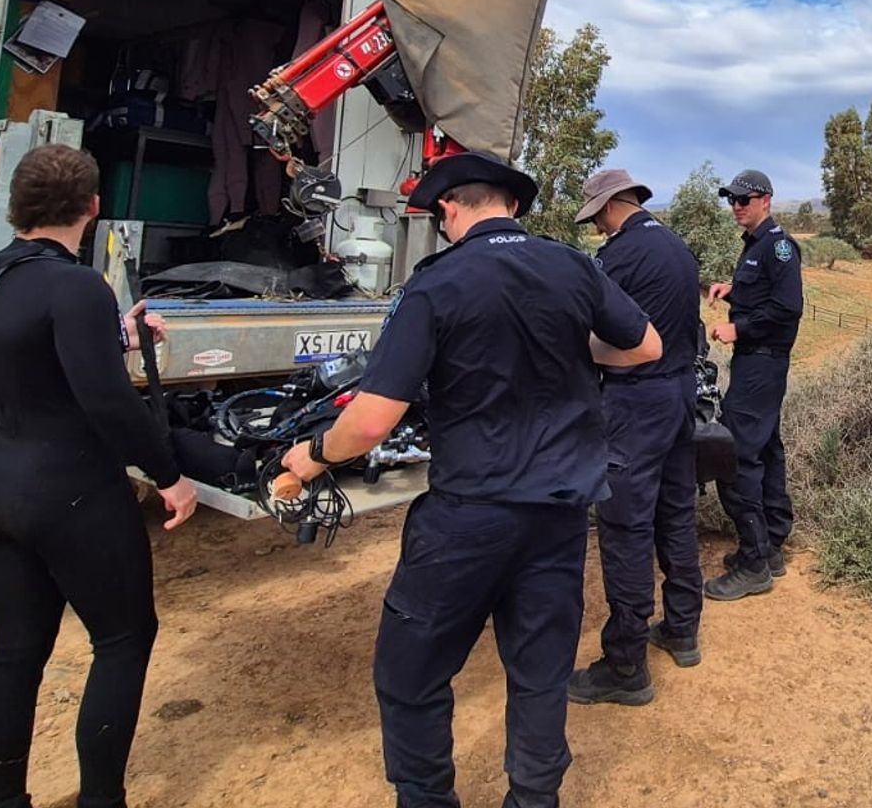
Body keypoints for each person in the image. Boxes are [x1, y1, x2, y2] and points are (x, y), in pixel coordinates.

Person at [281, 150, 661, 808]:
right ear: (512, 206)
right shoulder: (572, 265)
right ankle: (534, 799)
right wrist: (576, 345)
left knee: (411, 674)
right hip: (560, 517)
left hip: (467, 519)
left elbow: (371, 423)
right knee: (539, 673)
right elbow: (645, 345)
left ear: (450, 209)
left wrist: (312, 454)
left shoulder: (436, 283)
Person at [0, 144, 200, 808]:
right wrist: (169, 474)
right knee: (122, 640)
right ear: (93, 207)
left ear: (14, 208)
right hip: (74, 495)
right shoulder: (76, 285)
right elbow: (107, 401)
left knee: (15, 656)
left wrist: (115, 331)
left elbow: (25, 349)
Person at [564, 169, 705, 706]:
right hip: (679, 393)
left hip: (634, 402)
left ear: (606, 208)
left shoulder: (618, 257)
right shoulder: (676, 246)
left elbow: (588, 326)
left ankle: (625, 665)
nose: (598, 228)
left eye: (596, 217)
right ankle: (683, 627)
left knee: (625, 526)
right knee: (676, 510)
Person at [702, 168, 803, 602]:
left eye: (744, 199)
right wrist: (733, 293)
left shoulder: (779, 247)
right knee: (767, 448)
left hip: (761, 363)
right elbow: (762, 294)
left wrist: (738, 330)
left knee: (737, 455)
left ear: (765, 199)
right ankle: (774, 541)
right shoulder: (756, 245)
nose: (736, 207)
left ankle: (755, 561)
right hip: (758, 367)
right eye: (732, 200)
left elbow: (786, 309)